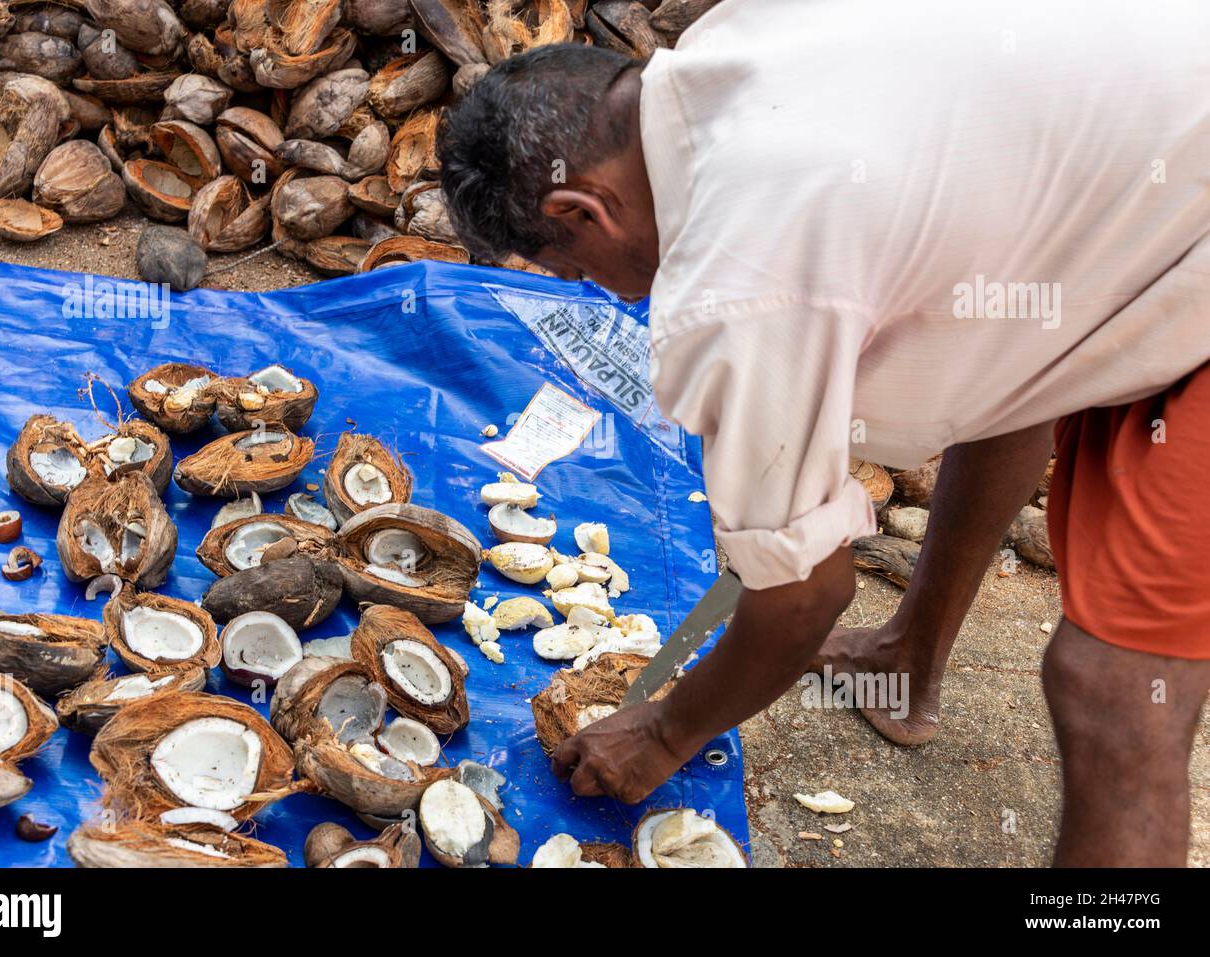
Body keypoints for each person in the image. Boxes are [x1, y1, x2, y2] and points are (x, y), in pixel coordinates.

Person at [437, 0, 1210, 866]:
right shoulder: (740, 37)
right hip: (1160, 126)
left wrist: (664, 730)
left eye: (577, 268)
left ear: (583, 209)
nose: (611, 295)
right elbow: (1004, 367)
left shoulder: (739, 283)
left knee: (1113, 691)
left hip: (1191, 226)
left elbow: (806, 595)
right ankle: (907, 659)